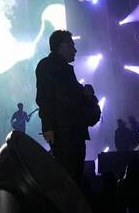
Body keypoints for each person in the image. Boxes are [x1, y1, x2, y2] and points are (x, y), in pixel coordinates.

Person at [35, 30, 95, 189]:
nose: (75, 50)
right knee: (70, 179)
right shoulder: (48, 67)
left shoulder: (61, 69)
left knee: (72, 178)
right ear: (62, 46)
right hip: (65, 132)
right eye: (72, 45)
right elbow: (45, 98)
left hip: (70, 131)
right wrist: (48, 127)